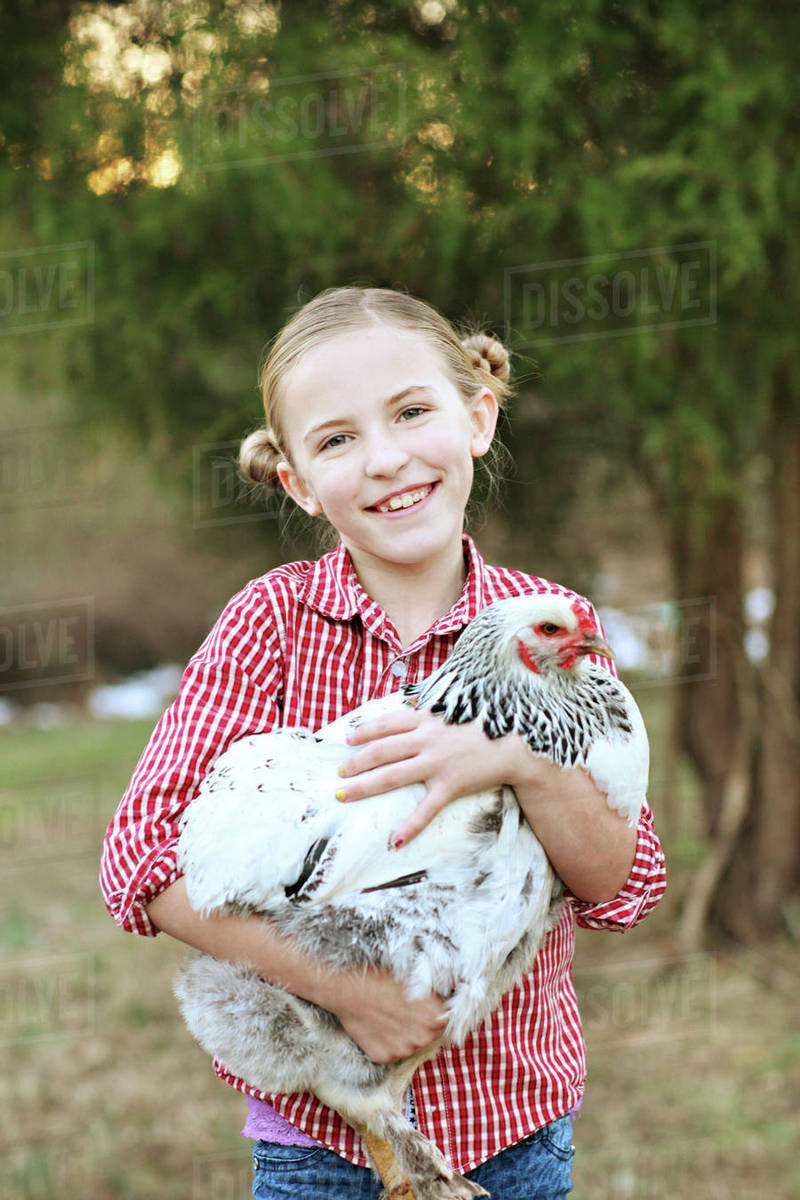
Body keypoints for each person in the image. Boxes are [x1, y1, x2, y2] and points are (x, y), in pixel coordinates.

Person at [100, 285, 666, 1200]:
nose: (386, 460)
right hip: (319, 1141)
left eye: (411, 413)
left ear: (478, 417)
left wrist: (516, 760)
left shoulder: (548, 624)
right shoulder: (269, 625)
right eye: (336, 440)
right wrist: (350, 992)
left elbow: (621, 883)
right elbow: (137, 856)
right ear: (298, 482)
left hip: (515, 1129)